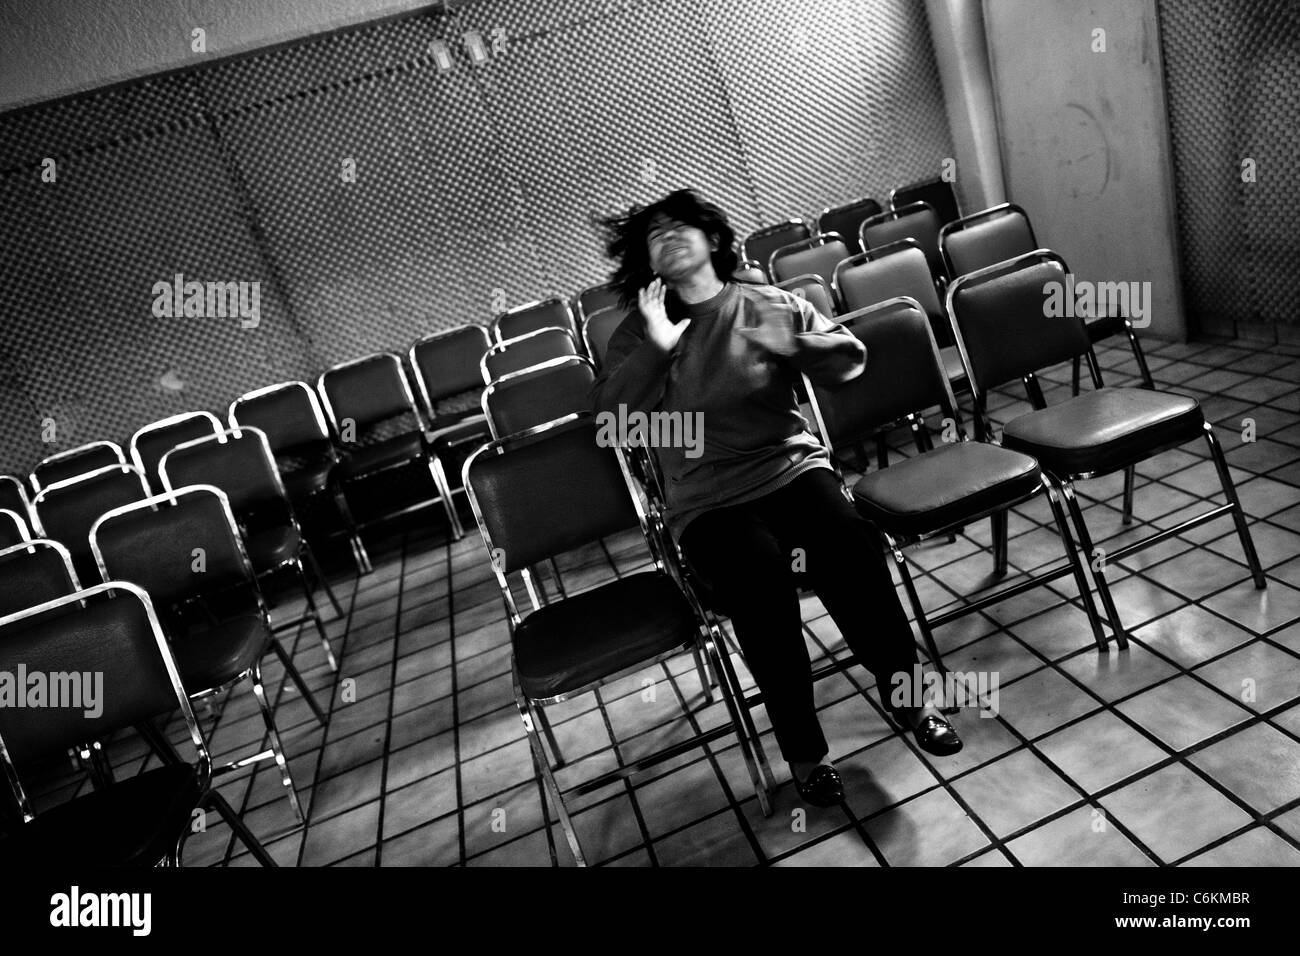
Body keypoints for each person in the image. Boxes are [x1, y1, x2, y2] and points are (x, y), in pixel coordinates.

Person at [590, 189, 961, 807]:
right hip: (706, 500)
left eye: (681, 226)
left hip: (788, 467)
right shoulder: (638, 333)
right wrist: (657, 347)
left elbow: (849, 362)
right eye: (654, 235)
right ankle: (805, 755)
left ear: (714, 239)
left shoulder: (764, 302)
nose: (669, 237)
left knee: (850, 550)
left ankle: (912, 700)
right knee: (759, 582)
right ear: (646, 264)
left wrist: (801, 346)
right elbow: (612, 424)